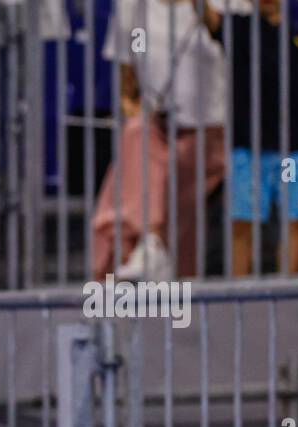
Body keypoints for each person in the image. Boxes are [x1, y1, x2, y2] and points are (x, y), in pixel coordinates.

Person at [90, 0, 227, 281]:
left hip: (211, 132)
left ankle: (118, 267)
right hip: (156, 127)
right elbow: (127, 89)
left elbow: (242, 54)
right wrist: (140, 110)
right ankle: (151, 242)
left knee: (135, 188)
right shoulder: (131, 8)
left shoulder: (226, 5)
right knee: (137, 133)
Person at [215, 0, 298, 274]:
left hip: (292, 150)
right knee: (242, 221)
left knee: (295, 218)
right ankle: (237, 295)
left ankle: (288, 292)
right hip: (247, 146)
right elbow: (206, 16)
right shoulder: (238, 28)